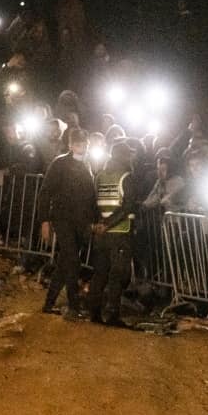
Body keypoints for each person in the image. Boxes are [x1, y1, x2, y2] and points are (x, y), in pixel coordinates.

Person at [37, 129, 98, 317]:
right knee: (72, 260)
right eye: (79, 144)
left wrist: (92, 221)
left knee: (65, 263)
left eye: (84, 144)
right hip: (63, 219)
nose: (82, 148)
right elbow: (45, 192)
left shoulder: (87, 166)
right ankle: (73, 304)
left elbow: (90, 197)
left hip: (80, 222)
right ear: (71, 145)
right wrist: (45, 220)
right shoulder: (60, 164)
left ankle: (49, 303)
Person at [88, 140, 142, 327]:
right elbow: (128, 207)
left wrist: (97, 225)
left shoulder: (100, 176)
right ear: (124, 156)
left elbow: (94, 203)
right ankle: (112, 314)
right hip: (120, 232)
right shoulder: (126, 177)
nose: (131, 157)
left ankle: (93, 312)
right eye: (129, 154)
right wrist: (109, 224)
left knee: (100, 273)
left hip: (101, 234)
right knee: (118, 275)